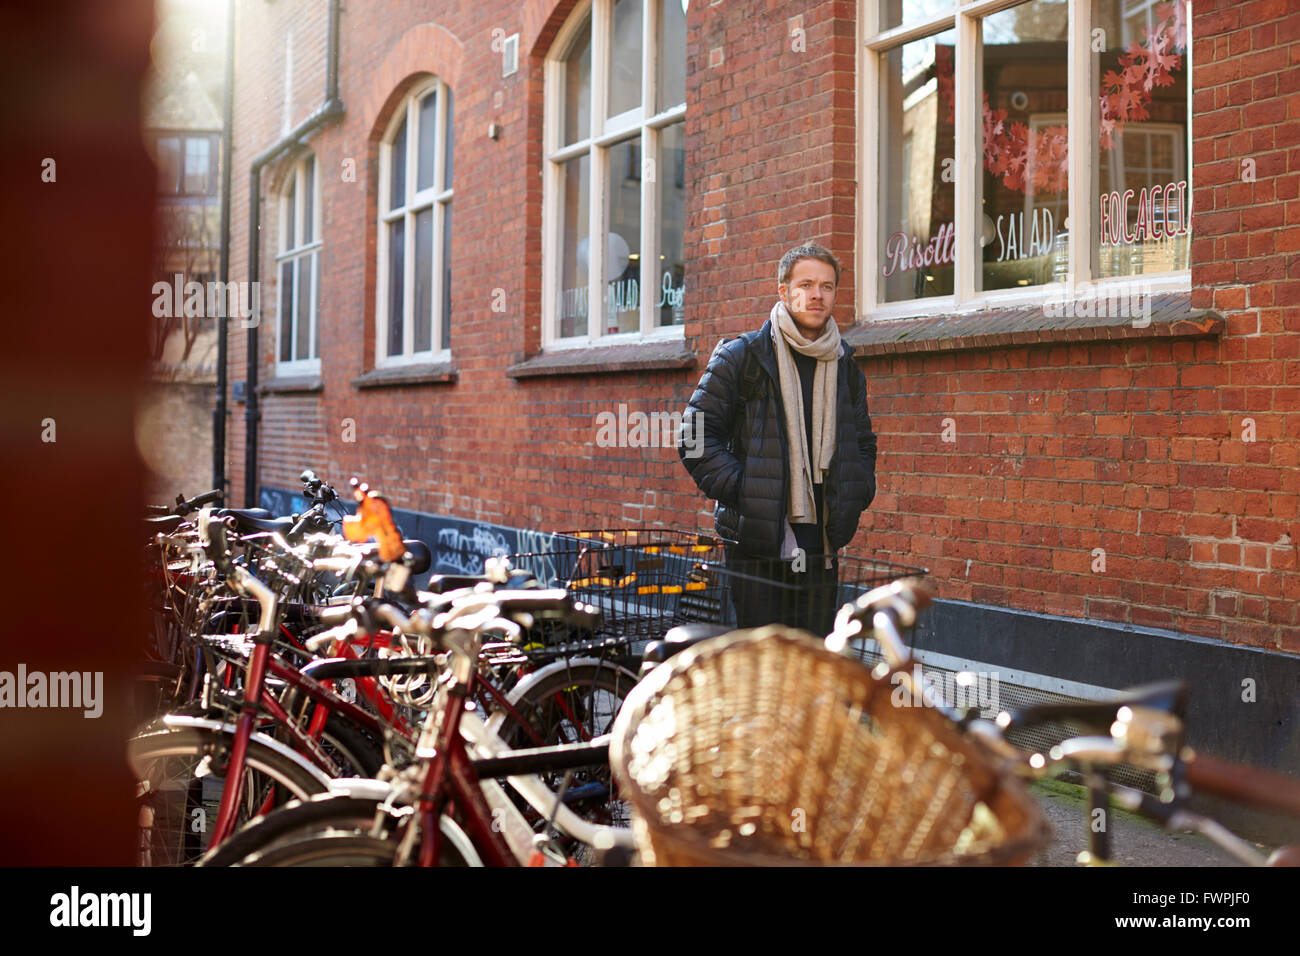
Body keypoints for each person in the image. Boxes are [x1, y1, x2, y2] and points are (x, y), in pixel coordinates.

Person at [679, 242, 877, 636]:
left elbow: (864, 443)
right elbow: (695, 437)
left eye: (826, 286)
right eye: (805, 284)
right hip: (757, 543)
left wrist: (857, 492)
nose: (816, 295)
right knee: (763, 663)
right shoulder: (743, 356)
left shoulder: (845, 365)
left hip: (820, 544)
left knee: (813, 660)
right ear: (783, 291)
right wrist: (749, 490)